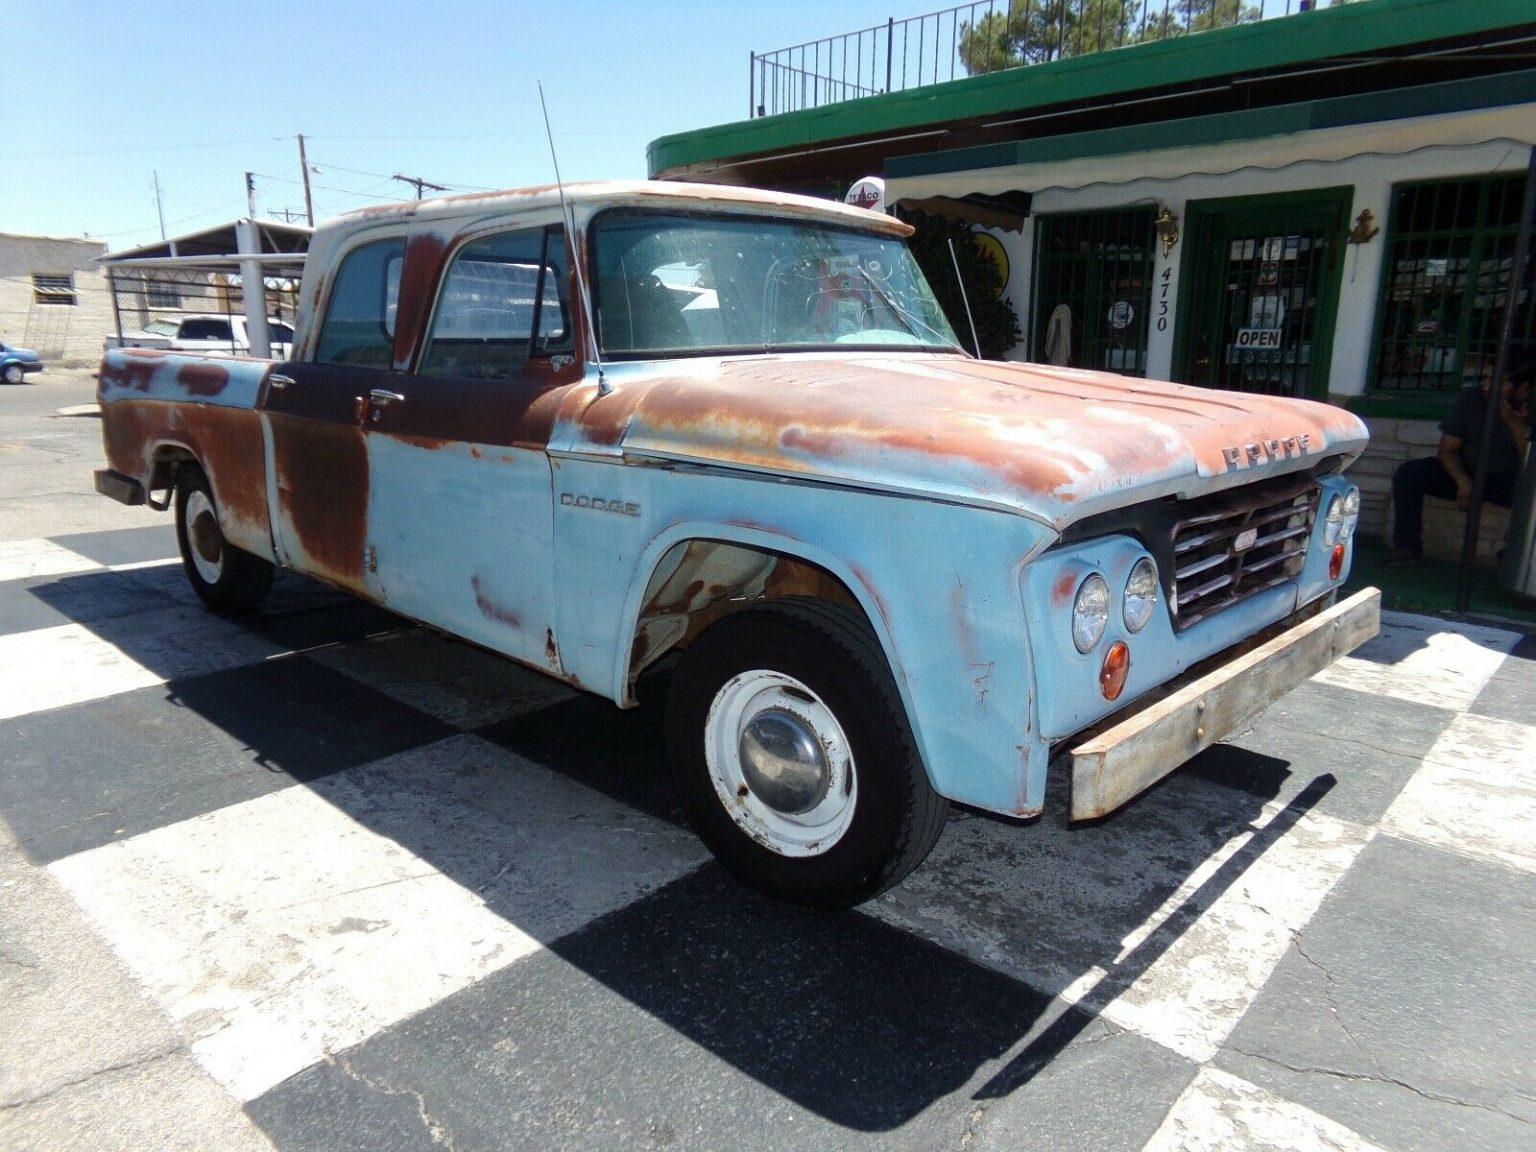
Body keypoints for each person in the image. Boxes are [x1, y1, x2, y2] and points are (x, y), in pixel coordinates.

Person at [1387, 356, 1532, 565]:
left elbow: (1530, 462)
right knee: (1409, 473)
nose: (1487, 386)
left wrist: (1514, 424)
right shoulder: (1471, 399)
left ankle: (1514, 554)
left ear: (1523, 388)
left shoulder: (1529, 408)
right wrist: (1463, 481)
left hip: (1508, 480)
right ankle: (1407, 548)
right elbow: (1447, 449)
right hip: (1466, 471)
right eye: (1486, 379)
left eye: (1500, 382)